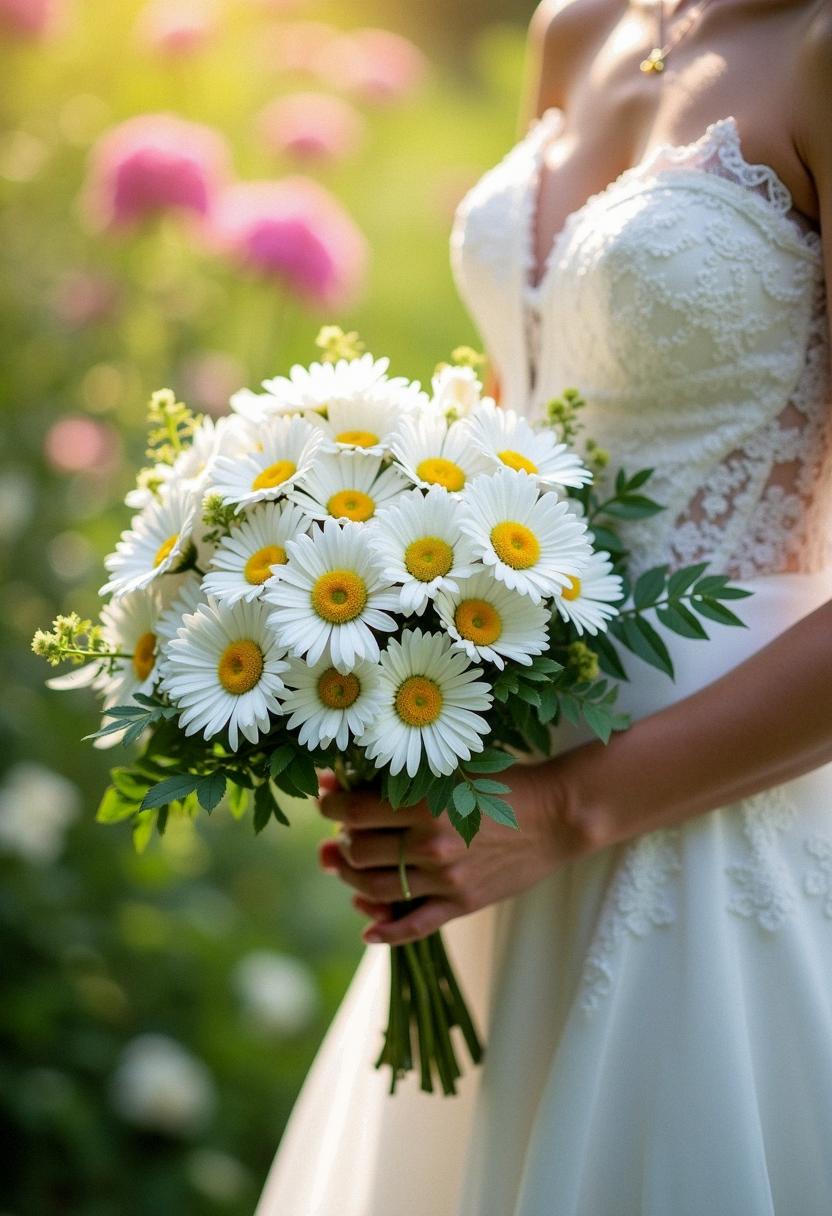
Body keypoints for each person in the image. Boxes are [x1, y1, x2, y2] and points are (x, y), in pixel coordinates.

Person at [255, 2, 832, 1212]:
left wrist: (562, 809)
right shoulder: (574, 25)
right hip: (486, 797)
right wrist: (380, 647)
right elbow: (528, 407)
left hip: (703, 817)